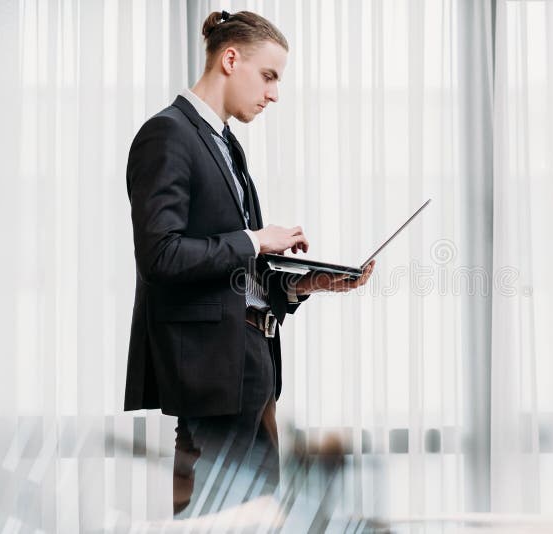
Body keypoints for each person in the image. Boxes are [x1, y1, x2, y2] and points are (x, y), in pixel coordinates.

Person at [123, 10, 374, 516]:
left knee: (254, 516)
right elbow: (161, 255)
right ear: (230, 59)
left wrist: (307, 285)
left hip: (250, 362)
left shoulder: (226, 144)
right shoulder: (168, 134)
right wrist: (255, 239)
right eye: (269, 76)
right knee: (212, 516)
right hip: (208, 369)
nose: (274, 93)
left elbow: (234, 274)